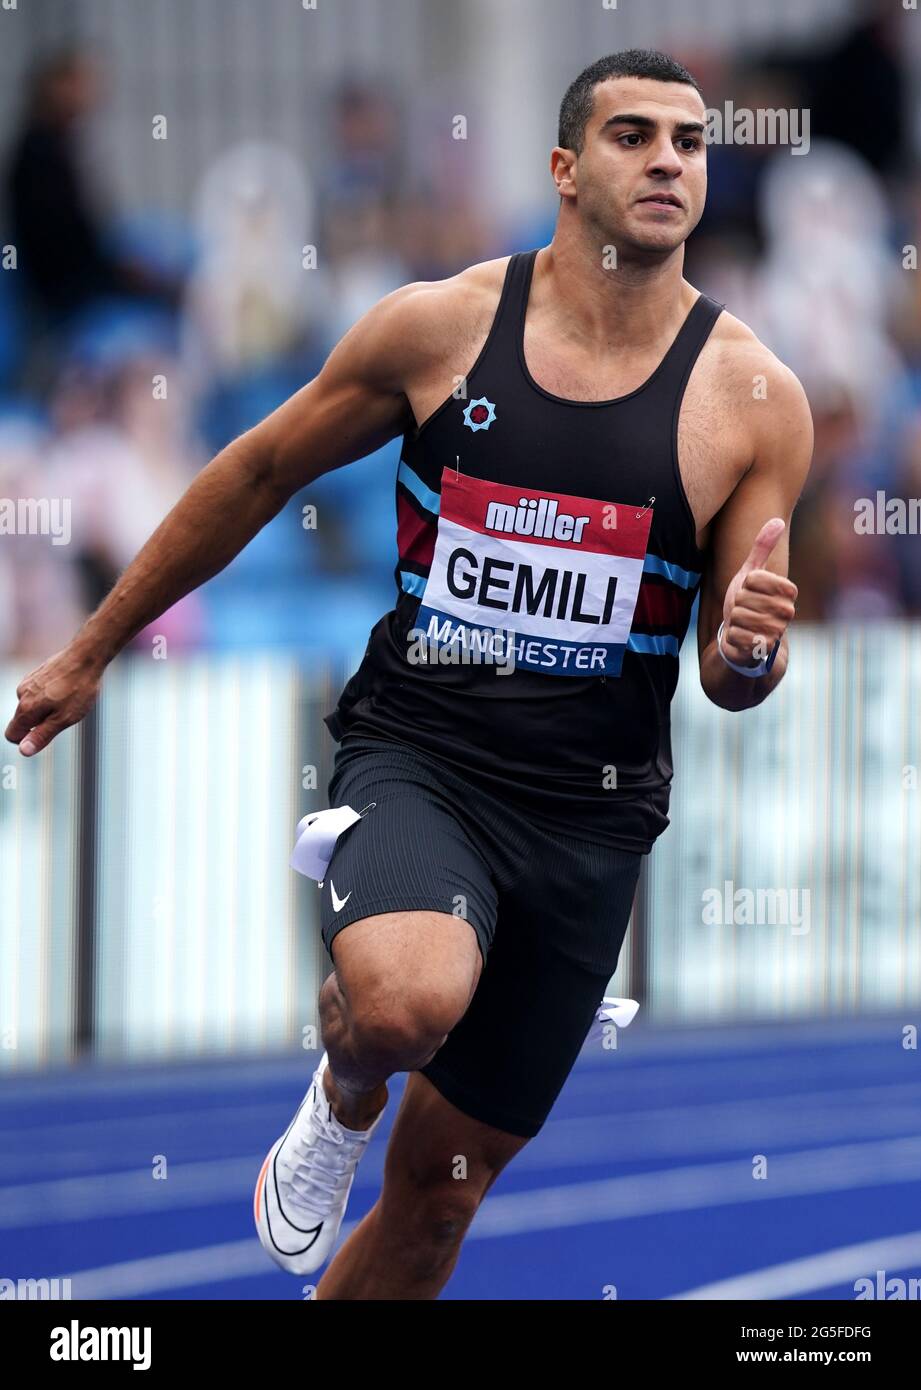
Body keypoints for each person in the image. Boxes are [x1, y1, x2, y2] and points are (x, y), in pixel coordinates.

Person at [5, 50, 812, 1299]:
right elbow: (262, 470)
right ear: (563, 168)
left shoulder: (754, 398)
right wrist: (93, 645)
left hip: (589, 820)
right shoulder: (440, 329)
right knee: (401, 1001)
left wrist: (751, 650)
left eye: (690, 143)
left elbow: (723, 674)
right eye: (633, 136)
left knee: (436, 1208)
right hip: (422, 754)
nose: (667, 161)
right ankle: (339, 1096)